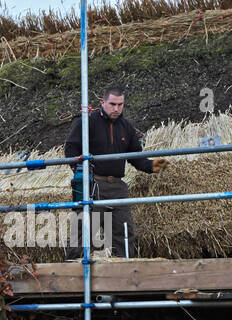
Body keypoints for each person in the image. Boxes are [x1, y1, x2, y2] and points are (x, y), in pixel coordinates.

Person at [63, 85, 166, 259]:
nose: (116, 108)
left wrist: (150, 166)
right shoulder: (87, 122)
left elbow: (135, 156)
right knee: (84, 231)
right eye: (112, 104)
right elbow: (71, 148)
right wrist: (81, 170)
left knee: (124, 233)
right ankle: (71, 271)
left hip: (118, 187)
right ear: (102, 102)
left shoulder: (127, 127)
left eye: (120, 105)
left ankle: (124, 273)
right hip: (93, 184)